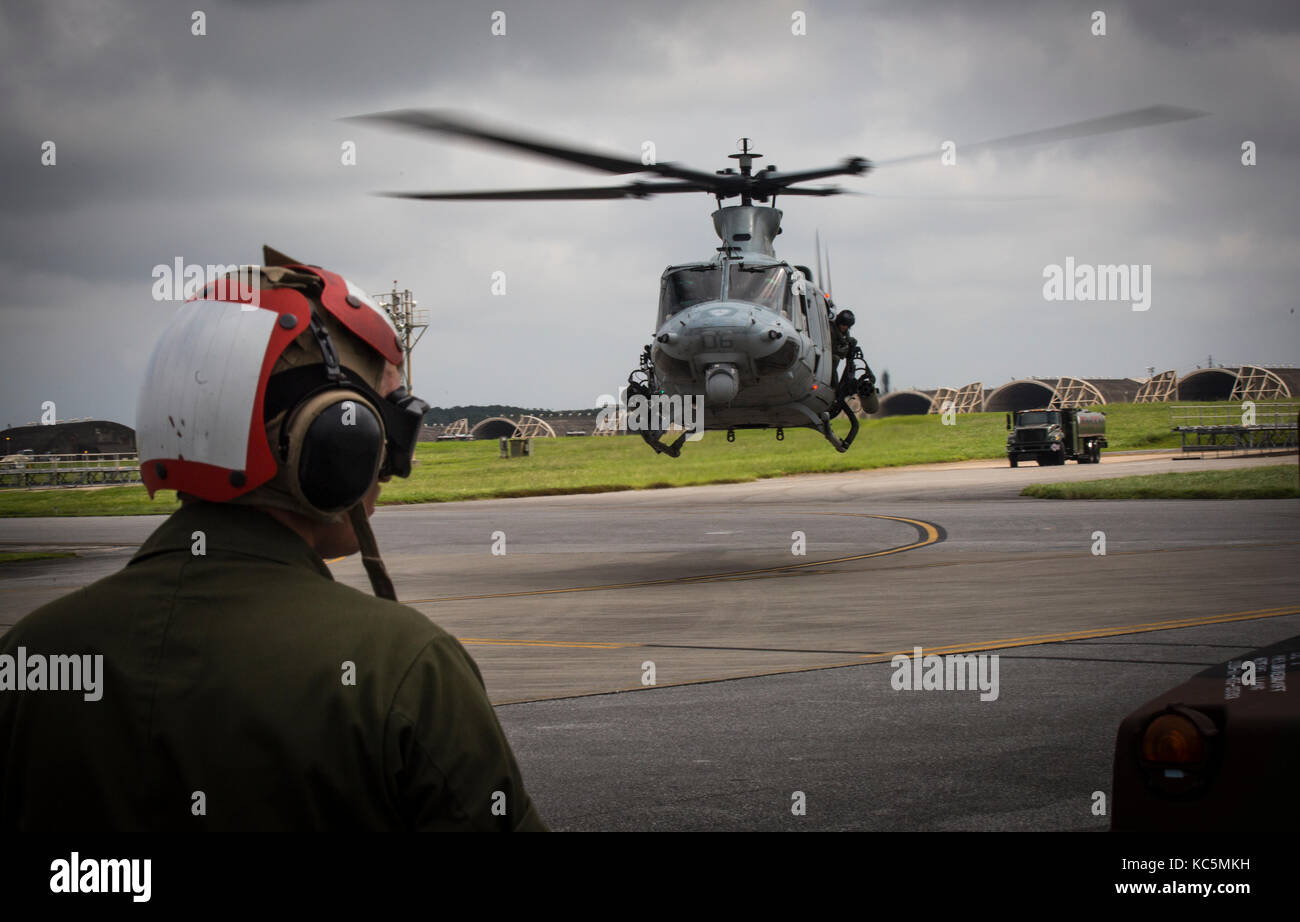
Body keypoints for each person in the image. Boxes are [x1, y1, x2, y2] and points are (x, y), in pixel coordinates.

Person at [0, 252, 546, 831]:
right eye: (389, 420)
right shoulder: (404, 670)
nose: (394, 461)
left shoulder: (32, 654)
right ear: (340, 438)